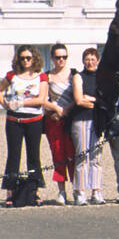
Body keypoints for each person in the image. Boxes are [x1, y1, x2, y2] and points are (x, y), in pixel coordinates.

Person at [0, 46, 48, 206]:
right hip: (14, 120)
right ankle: (10, 192)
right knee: (13, 156)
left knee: (34, 157)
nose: (26, 61)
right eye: (23, 58)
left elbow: (42, 99)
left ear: (34, 58)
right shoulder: (12, 75)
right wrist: (5, 104)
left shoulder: (41, 77)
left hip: (33, 120)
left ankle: (34, 190)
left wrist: (22, 102)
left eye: (28, 58)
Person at [68, 47, 106, 205]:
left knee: (96, 157)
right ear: (83, 61)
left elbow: (105, 100)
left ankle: (96, 191)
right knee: (82, 156)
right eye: (87, 59)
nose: (90, 62)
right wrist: (95, 101)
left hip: (97, 119)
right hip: (81, 119)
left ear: (97, 60)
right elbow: (78, 100)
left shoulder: (102, 77)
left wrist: (90, 99)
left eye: (93, 59)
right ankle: (80, 191)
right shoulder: (78, 76)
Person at [41, 42, 76, 204]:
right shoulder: (47, 76)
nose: (61, 60)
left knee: (74, 154)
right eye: (58, 57)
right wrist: (55, 109)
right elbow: (43, 99)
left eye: (64, 57)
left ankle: (77, 189)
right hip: (53, 120)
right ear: (52, 58)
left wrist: (66, 110)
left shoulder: (74, 74)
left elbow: (79, 96)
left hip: (72, 118)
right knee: (58, 153)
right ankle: (61, 191)